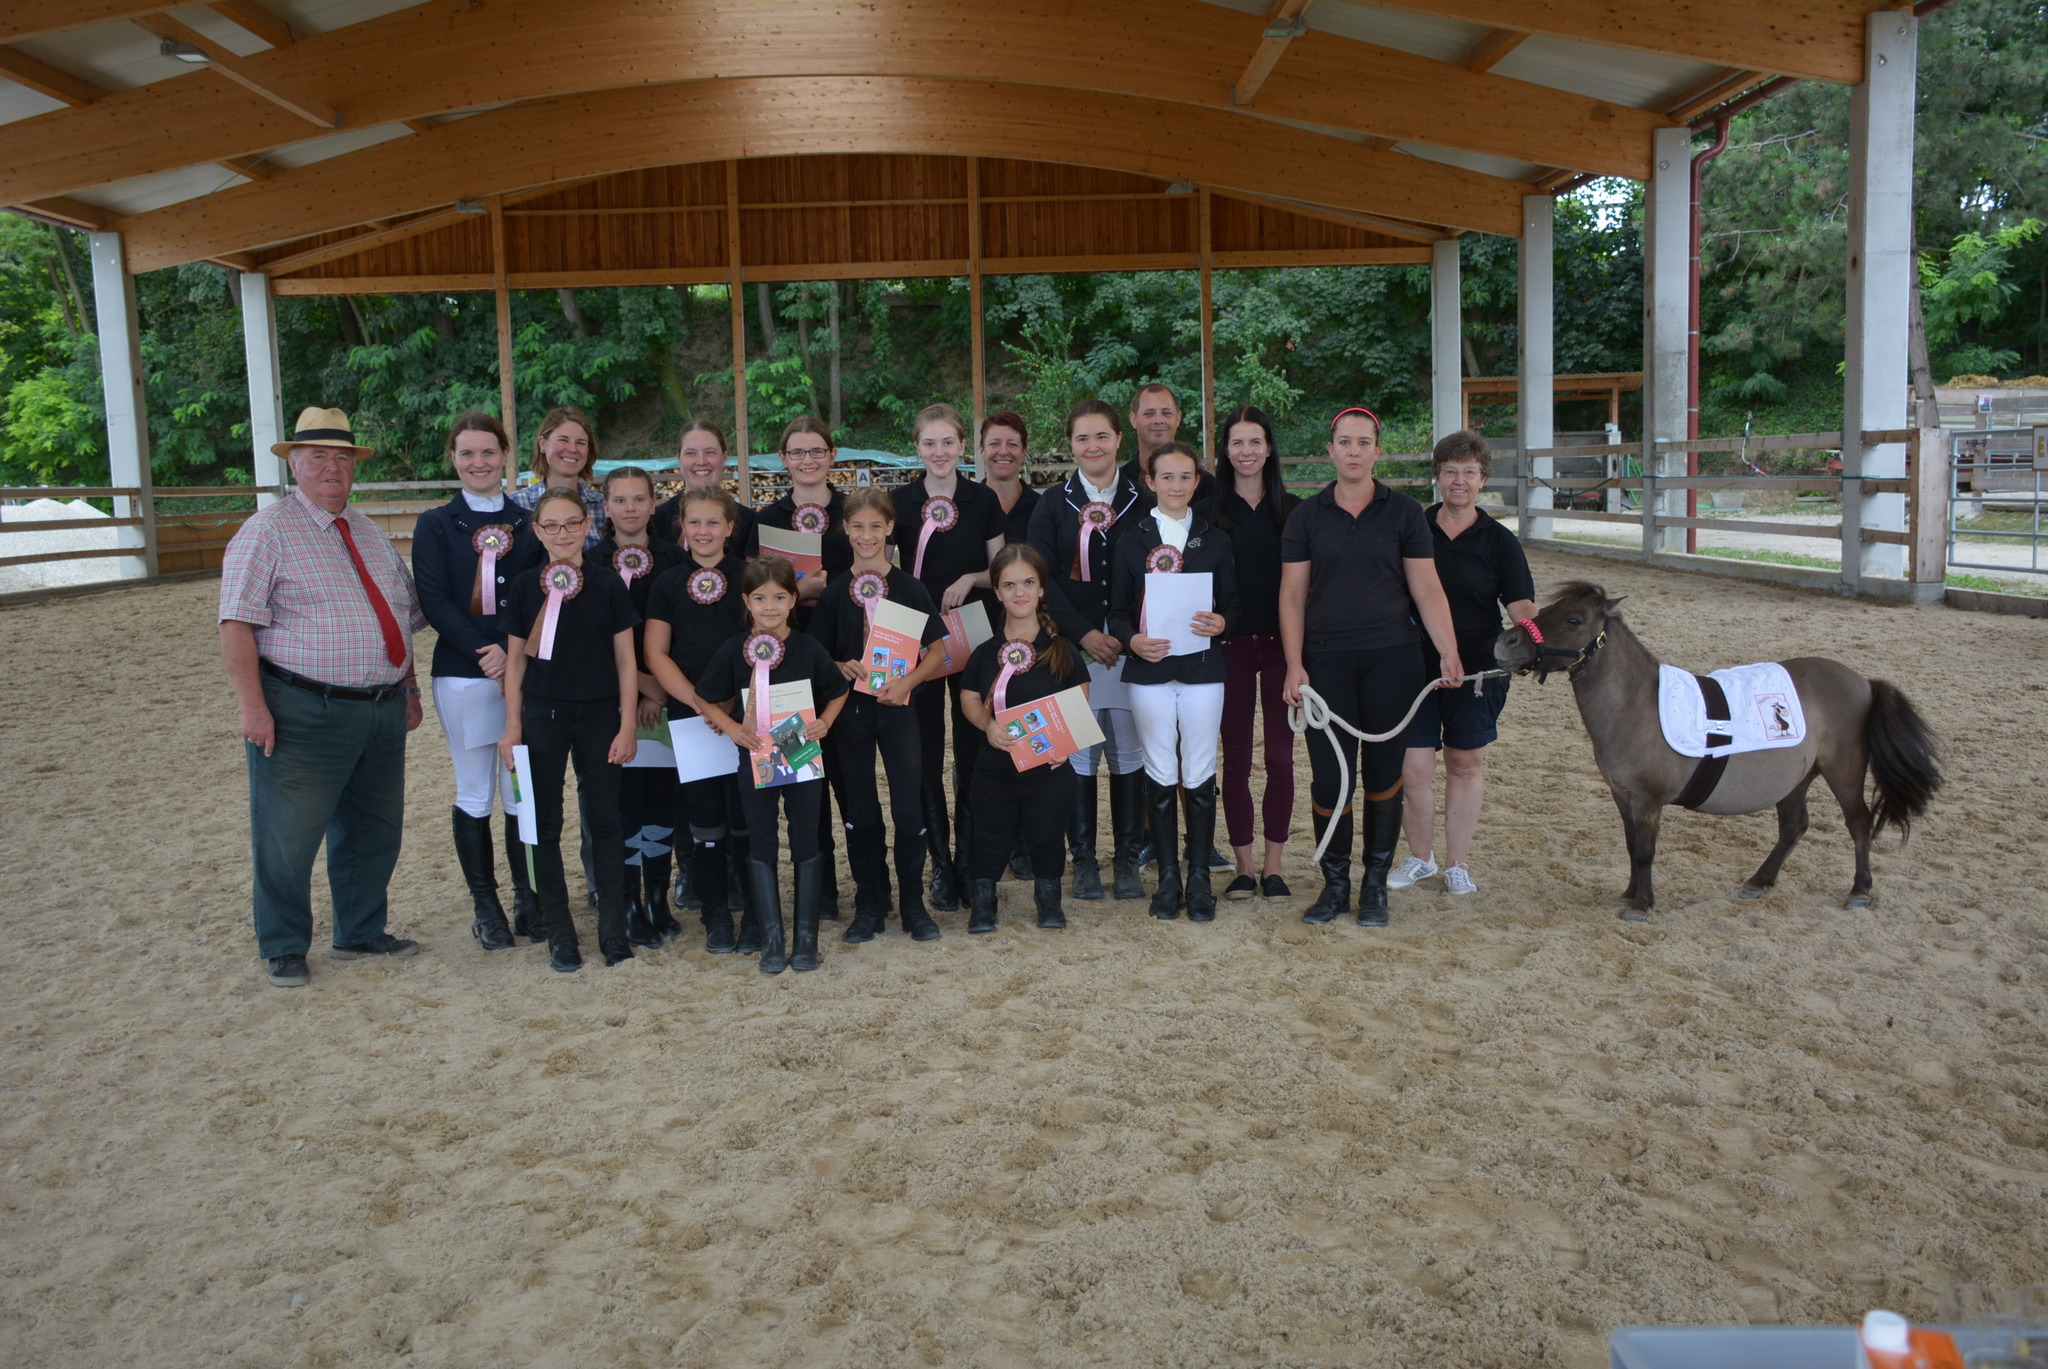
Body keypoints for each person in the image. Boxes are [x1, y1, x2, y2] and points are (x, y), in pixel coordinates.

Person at [220, 407, 428, 989]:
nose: (332, 468)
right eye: (318, 457)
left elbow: (400, 617)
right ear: (294, 464)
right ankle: (284, 944)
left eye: (342, 457)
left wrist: (408, 686)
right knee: (288, 832)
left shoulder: (367, 531)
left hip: (381, 704)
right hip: (304, 706)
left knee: (374, 827)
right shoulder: (266, 532)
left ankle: (360, 929)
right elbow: (235, 623)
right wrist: (252, 706)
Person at [1280, 407, 1463, 928]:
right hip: (1325, 663)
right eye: (1344, 442)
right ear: (1331, 450)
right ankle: (1335, 886)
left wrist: (1447, 649)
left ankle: (1375, 886)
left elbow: (1426, 586)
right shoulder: (1307, 517)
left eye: (1364, 442)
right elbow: (1292, 595)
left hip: (1392, 659)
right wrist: (1294, 664)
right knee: (1331, 778)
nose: (1354, 451)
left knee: (1384, 776)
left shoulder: (1404, 513)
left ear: (1377, 451)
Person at [411, 411, 545, 951]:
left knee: (519, 793)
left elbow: (541, 595)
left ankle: (528, 899)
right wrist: (482, 651)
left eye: (488, 452)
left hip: (523, 670)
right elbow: (434, 597)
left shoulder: (526, 521)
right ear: (453, 459)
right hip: (466, 671)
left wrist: (512, 655)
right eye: (467, 453)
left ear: (504, 455)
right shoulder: (436, 524)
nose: (478, 463)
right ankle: (485, 906)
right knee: (474, 792)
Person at [498, 487, 641, 972]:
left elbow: (627, 661)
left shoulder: (608, 585)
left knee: (605, 822)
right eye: (551, 526)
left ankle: (613, 930)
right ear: (538, 532)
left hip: (601, 715)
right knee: (545, 825)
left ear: (586, 526)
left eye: (571, 524)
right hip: (542, 717)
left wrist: (627, 725)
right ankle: (560, 931)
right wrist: (512, 725)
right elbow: (515, 663)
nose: (562, 533)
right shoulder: (522, 587)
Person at [1391, 431, 1536, 896]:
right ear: (1436, 477)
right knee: (1413, 768)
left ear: (1483, 479)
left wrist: (1536, 638)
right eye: (1450, 471)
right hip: (1412, 666)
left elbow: (1521, 608)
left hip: (1477, 669)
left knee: (1465, 762)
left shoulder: (1499, 542)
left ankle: (1456, 863)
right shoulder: (1412, 528)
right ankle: (1419, 858)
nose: (1459, 481)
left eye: (1469, 472)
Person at [695, 559, 850, 974]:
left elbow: (838, 689)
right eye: (760, 598)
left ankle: (805, 938)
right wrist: (731, 727)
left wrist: (825, 722)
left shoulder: (809, 647)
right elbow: (705, 696)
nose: (770, 606)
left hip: (801, 756)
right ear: (746, 601)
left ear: (793, 599)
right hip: (756, 759)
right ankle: (772, 938)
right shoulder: (733, 650)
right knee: (761, 842)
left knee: (806, 840)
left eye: (779, 597)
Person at [808, 487, 949, 943]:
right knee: (860, 810)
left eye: (875, 526)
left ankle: (912, 904)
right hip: (850, 716)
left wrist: (908, 682)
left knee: (909, 808)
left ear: (890, 528)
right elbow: (817, 657)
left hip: (899, 711)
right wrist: (836, 665)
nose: (866, 535)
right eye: (857, 526)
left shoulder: (909, 588)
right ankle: (870, 902)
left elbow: (939, 651)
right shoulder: (833, 594)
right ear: (844, 529)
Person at [1028, 399, 1152, 903]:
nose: (1093, 446)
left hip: (1131, 646)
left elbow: (1155, 572)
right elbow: (1044, 577)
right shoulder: (1052, 504)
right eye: (1082, 438)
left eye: (1101, 436)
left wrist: (1121, 632)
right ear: (1071, 445)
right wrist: (1082, 634)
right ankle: (1082, 860)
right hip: (1072, 647)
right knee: (1079, 749)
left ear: (1119, 438)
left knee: (1127, 749)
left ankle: (1126, 859)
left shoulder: (1144, 500)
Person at [1108, 442, 1238, 920]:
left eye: (1185, 477)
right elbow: (1117, 611)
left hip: (1203, 671)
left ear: (1197, 482)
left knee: (1200, 772)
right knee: (1160, 772)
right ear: (1150, 481)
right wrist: (1132, 640)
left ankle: (1199, 877)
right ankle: (1167, 878)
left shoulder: (1216, 539)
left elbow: (1233, 605)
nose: (1176, 486)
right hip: (1150, 671)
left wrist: (1223, 624)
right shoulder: (1130, 538)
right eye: (1167, 477)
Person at [890, 403, 1006, 914]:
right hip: (918, 642)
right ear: (917, 448)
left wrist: (969, 579)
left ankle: (969, 863)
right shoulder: (899, 500)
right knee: (925, 756)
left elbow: (1003, 567)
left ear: (964, 447)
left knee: (972, 753)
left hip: (973, 637)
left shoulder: (982, 499)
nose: (939, 452)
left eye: (948, 443)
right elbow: (884, 570)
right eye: (929, 444)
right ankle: (940, 864)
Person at [748, 417, 854, 918]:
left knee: (846, 777)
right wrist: (801, 595)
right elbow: (757, 587)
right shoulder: (767, 518)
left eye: (817, 450)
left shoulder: (853, 513)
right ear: (783, 459)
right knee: (802, 773)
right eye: (797, 452)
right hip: (785, 661)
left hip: (843, 654)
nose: (808, 460)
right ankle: (823, 889)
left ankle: (861, 881)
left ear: (832, 455)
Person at [959, 545, 1091, 933]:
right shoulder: (984, 652)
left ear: (1041, 589)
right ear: (996, 592)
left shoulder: (1062, 649)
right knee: (988, 837)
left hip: (1049, 768)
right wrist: (987, 725)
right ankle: (983, 904)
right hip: (995, 766)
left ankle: (1048, 901)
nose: (1020, 592)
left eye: (1028, 583)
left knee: (1048, 837)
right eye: (1009, 585)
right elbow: (967, 697)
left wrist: (1063, 743)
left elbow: (1081, 693)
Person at [1199, 405, 1300, 901]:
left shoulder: (1295, 510)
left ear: (1269, 448)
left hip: (1284, 647)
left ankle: (1274, 867)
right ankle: (1243, 866)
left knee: (1281, 759)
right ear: (1225, 450)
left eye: (1255, 442)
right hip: (1230, 647)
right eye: (1236, 443)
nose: (1246, 452)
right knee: (1236, 760)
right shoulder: (1208, 512)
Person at [642, 486, 750, 955]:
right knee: (704, 820)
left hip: (747, 715)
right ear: (681, 527)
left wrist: (729, 702)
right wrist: (702, 704)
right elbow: (655, 652)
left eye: (713, 523)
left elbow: (767, 646)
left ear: (729, 527)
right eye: (694, 522)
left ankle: (757, 910)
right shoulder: (667, 582)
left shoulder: (750, 578)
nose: (703, 531)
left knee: (747, 817)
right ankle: (715, 915)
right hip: (693, 719)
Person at [592, 466, 689, 946]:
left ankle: (657, 896)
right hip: (613, 704)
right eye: (620, 500)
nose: (630, 508)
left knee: (662, 800)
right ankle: (628, 900)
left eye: (639, 499)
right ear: (605, 507)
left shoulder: (677, 561)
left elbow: (685, 632)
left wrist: (660, 689)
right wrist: (639, 690)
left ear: (655, 505)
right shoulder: (588, 563)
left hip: (669, 701)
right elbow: (585, 644)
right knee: (624, 804)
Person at [650, 418, 755, 556]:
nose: (701, 462)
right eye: (691, 453)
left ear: (724, 457)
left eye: (710, 452)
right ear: (679, 459)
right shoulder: (655, 522)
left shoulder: (751, 522)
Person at [509, 406, 606, 548]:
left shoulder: (602, 507)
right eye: (563, 440)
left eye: (580, 442)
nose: (572, 449)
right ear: (543, 444)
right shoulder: (515, 504)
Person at [1118, 382, 1216, 502]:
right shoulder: (1118, 482)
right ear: (1133, 419)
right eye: (1149, 414)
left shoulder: (1206, 486)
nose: (1158, 420)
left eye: (1166, 413)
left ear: (1178, 418)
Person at [979, 410, 1040, 545]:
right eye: (995, 443)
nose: (1003, 451)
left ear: (1024, 452)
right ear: (982, 450)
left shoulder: (1042, 508)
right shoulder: (968, 508)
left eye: (1012, 444)